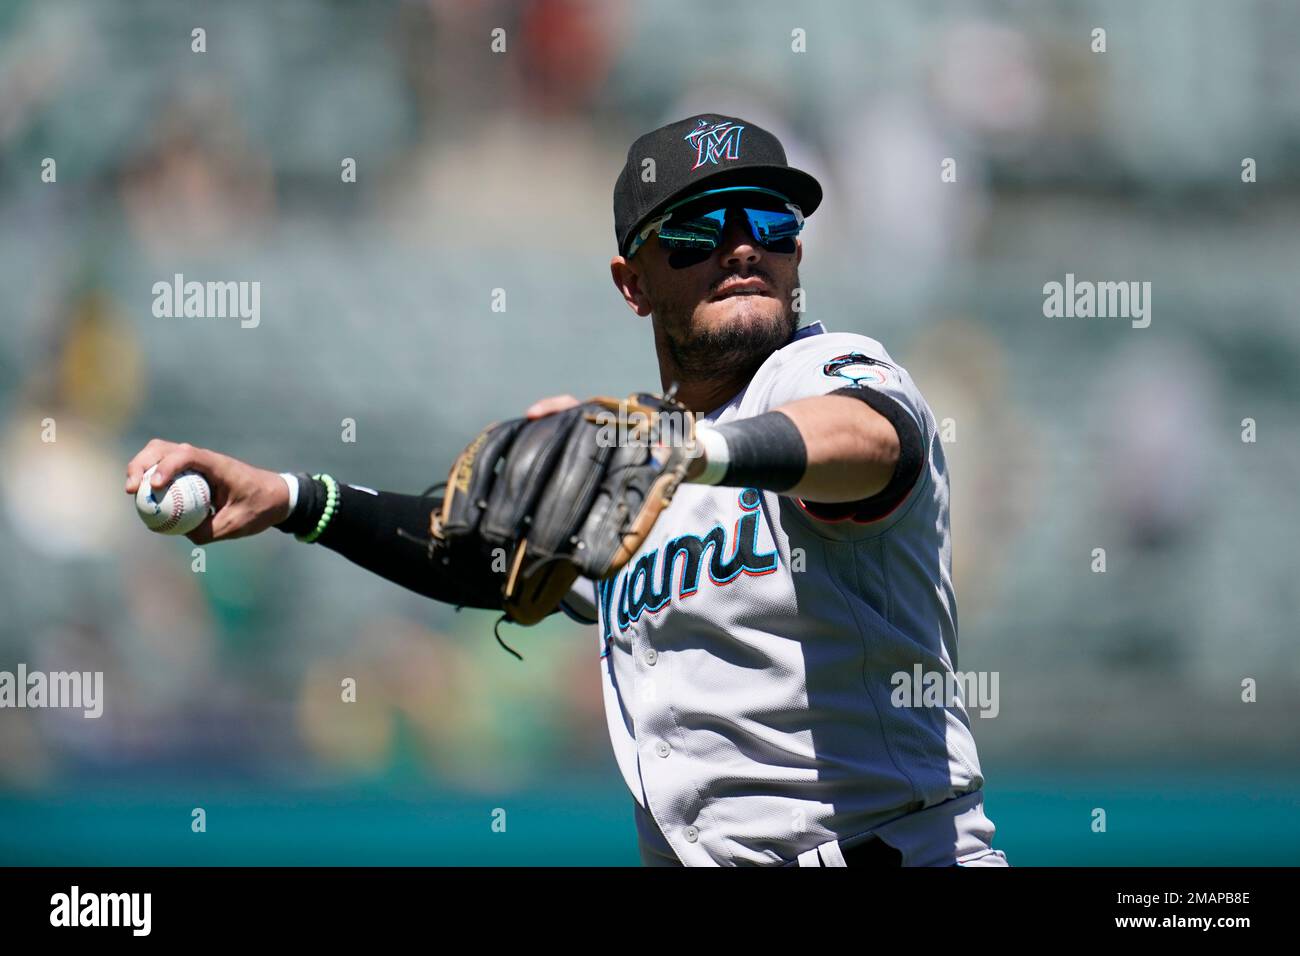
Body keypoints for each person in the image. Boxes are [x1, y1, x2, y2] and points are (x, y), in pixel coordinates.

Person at [124, 114, 1007, 867]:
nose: (742, 246)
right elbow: (477, 555)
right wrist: (291, 498)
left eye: (768, 223)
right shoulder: (636, 459)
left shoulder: (813, 375)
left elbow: (870, 440)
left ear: (796, 255)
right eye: (699, 228)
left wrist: (684, 447)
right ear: (633, 283)